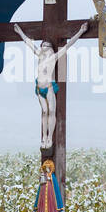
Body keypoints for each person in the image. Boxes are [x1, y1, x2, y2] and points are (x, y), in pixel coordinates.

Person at [13, 20, 89, 150]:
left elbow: (68, 45)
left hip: (49, 87)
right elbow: (28, 43)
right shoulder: (39, 56)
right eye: (43, 47)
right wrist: (20, 32)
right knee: (44, 112)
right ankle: (44, 137)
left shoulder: (53, 57)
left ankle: (49, 137)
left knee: (51, 111)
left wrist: (81, 31)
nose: (44, 49)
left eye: (46, 48)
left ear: (50, 50)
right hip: (39, 88)